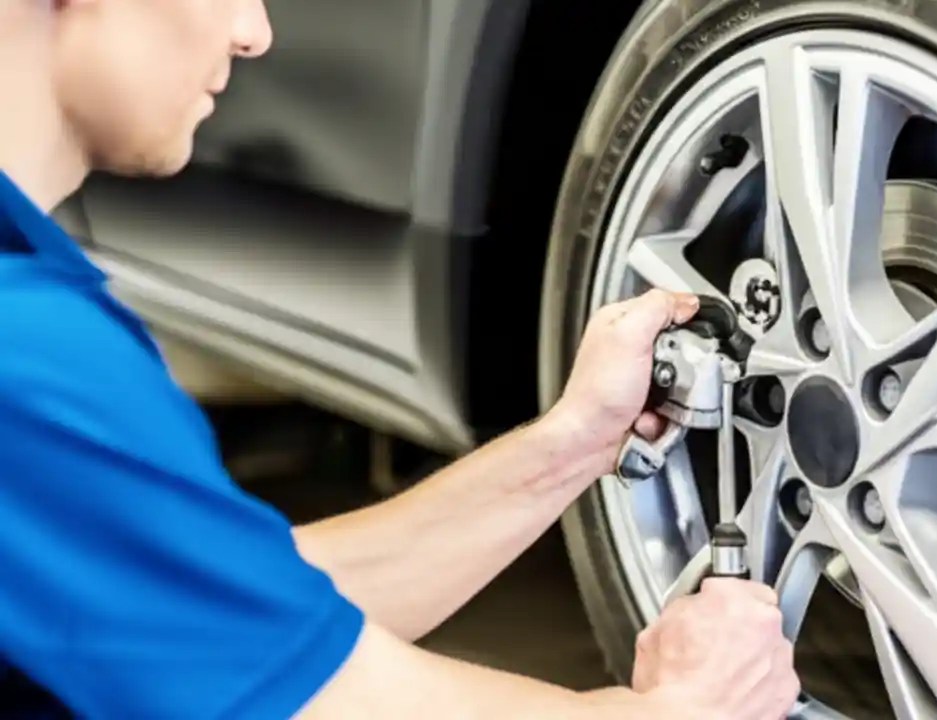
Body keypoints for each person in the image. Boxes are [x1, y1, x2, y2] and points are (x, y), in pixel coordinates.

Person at [0, 0, 802, 718]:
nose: (255, 33)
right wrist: (688, 709)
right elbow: (331, 704)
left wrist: (577, 441)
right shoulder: (37, 359)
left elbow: (214, 607)